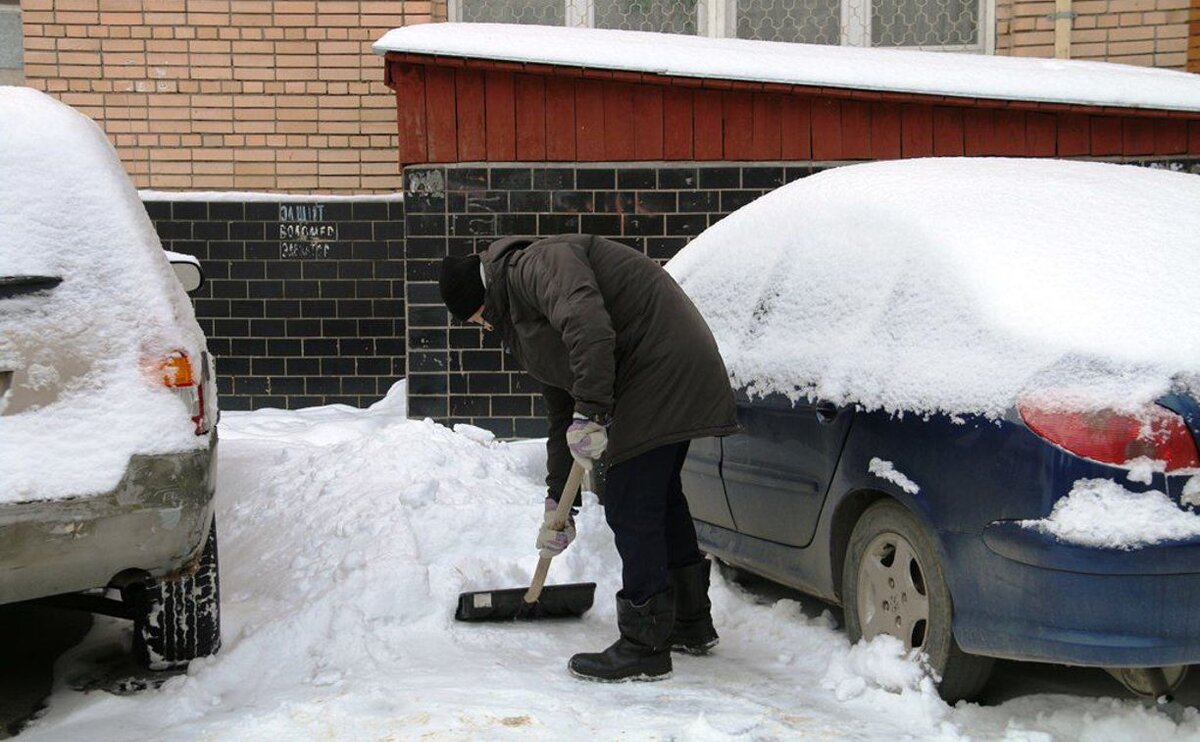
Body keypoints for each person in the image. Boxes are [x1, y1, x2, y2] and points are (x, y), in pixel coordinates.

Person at [438, 234, 738, 682]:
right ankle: (688, 622)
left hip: (659, 366)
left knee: (629, 499)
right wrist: (559, 504)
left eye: (477, 317)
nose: (483, 326)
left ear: (481, 295)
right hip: (661, 369)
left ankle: (644, 644)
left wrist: (592, 411)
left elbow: (591, 330)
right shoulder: (519, 313)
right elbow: (561, 406)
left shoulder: (540, 265)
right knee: (658, 496)